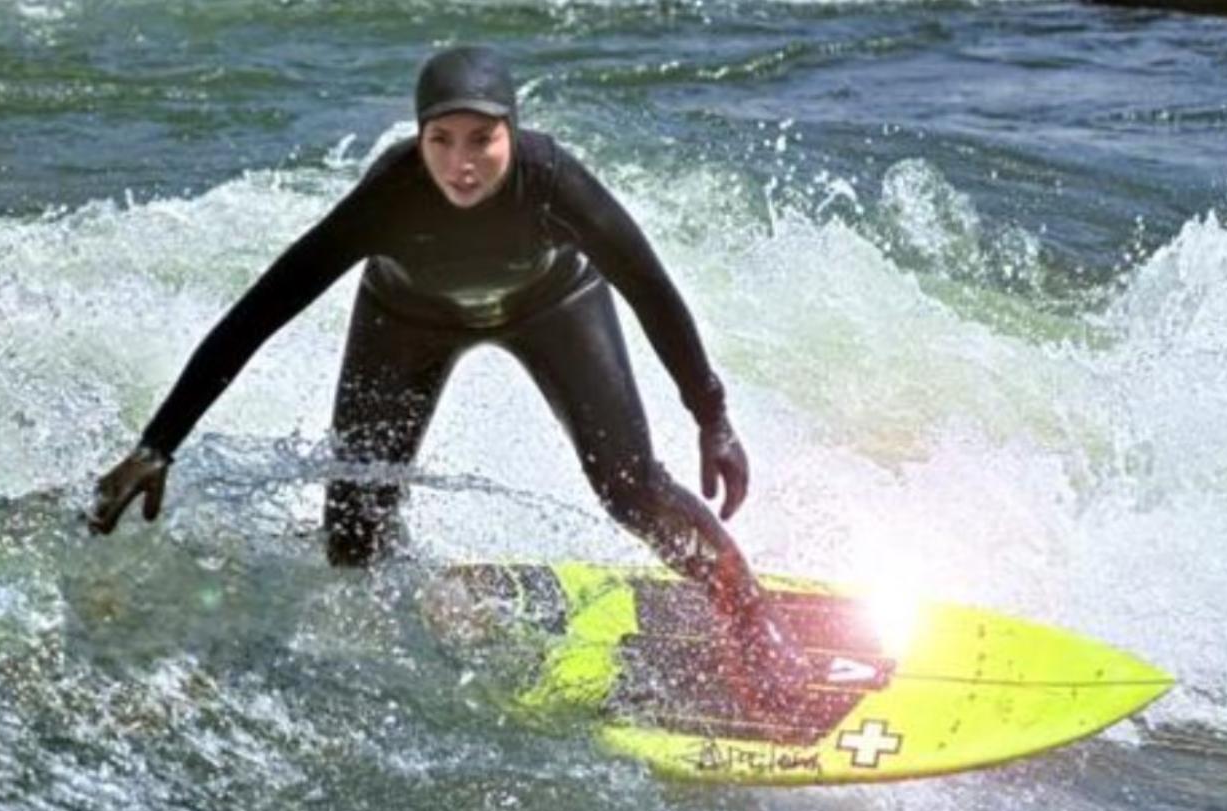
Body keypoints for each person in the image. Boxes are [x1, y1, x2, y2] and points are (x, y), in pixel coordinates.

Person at [87, 45, 806, 707]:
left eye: (482, 140)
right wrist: (159, 444)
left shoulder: (554, 182)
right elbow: (260, 311)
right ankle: (410, 601)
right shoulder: (389, 197)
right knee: (353, 531)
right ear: (419, 136)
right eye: (441, 140)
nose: (461, 163)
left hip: (552, 306)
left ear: (512, 134)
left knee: (631, 490)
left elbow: (651, 289)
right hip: (407, 321)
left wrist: (712, 417)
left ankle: (749, 616)